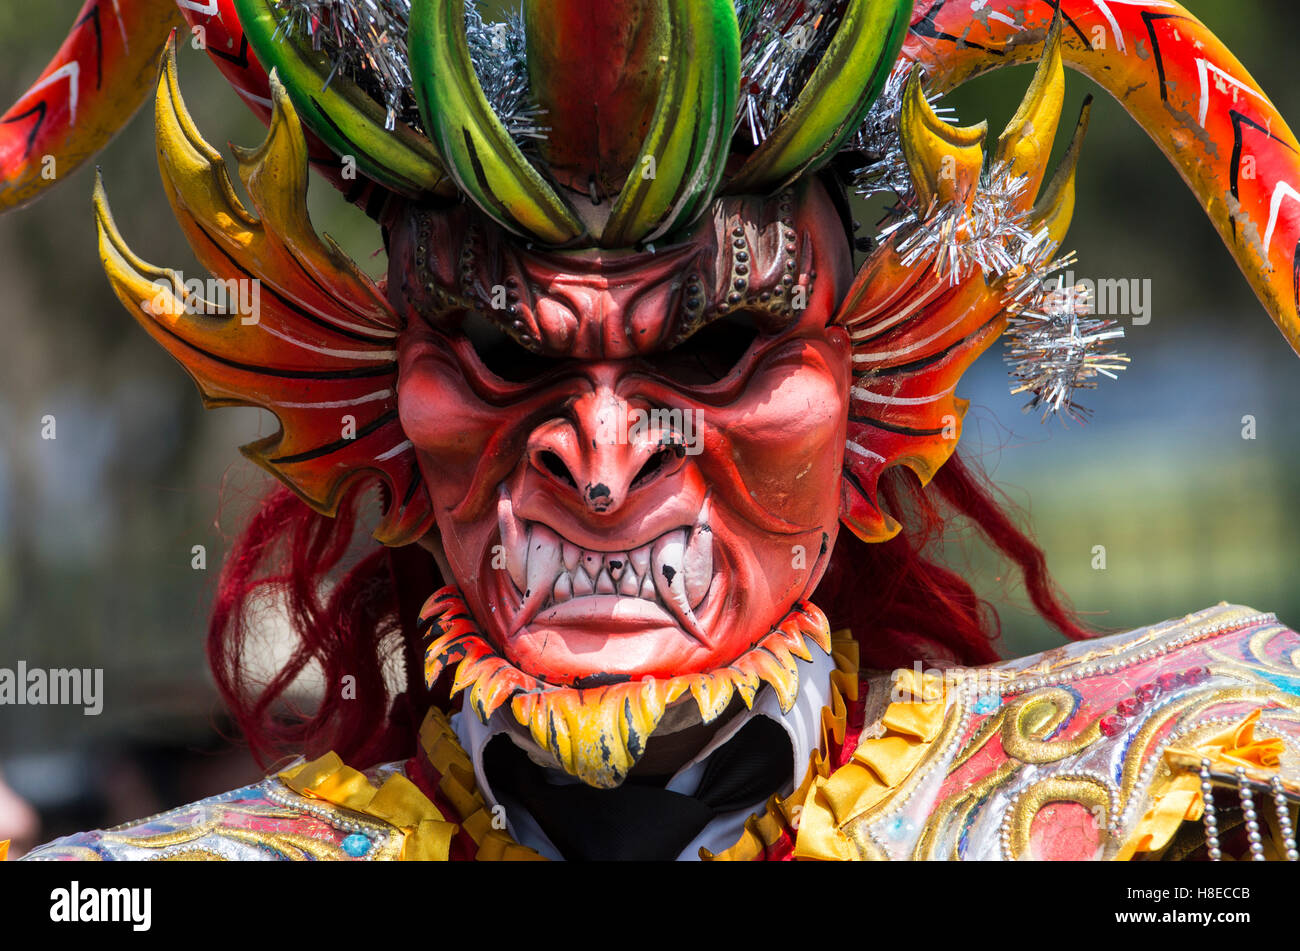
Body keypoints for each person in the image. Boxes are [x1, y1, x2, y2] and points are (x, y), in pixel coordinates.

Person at [7, 0, 1300, 861]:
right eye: (509, 355)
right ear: (373, 412)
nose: (606, 456)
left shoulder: (1190, 790)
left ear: (881, 387)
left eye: (713, 348)